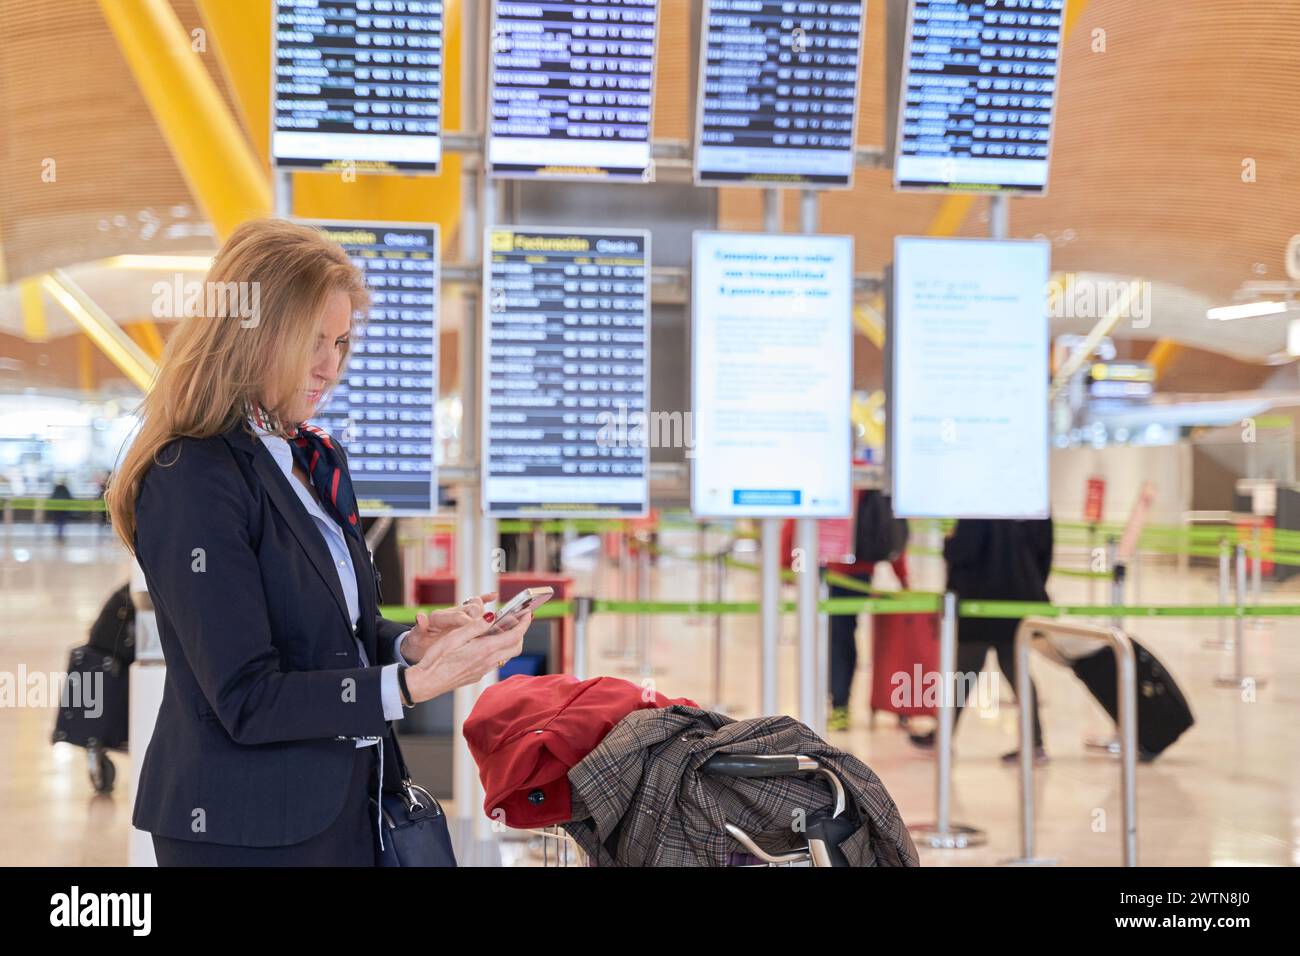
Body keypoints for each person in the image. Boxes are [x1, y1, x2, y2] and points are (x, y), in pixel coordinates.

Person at [105, 219, 533, 865]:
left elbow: (323, 637)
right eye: (310, 341)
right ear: (248, 332)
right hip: (245, 828)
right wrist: (409, 686)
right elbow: (246, 697)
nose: (329, 366)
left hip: (346, 802)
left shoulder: (310, 459)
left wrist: (410, 642)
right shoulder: (192, 476)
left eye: (340, 341)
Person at [910, 517, 1053, 763]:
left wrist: (949, 544)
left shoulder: (980, 500)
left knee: (965, 671)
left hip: (980, 599)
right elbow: (1045, 549)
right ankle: (1033, 742)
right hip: (1018, 596)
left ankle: (942, 736)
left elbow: (964, 549)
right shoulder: (1032, 499)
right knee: (1014, 668)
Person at [824, 489, 909, 731]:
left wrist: (788, 564)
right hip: (863, 574)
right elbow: (892, 536)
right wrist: (903, 579)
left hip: (837, 574)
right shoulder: (877, 492)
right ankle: (847, 703)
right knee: (853, 639)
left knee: (840, 640)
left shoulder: (839, 490)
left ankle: (840, 706)